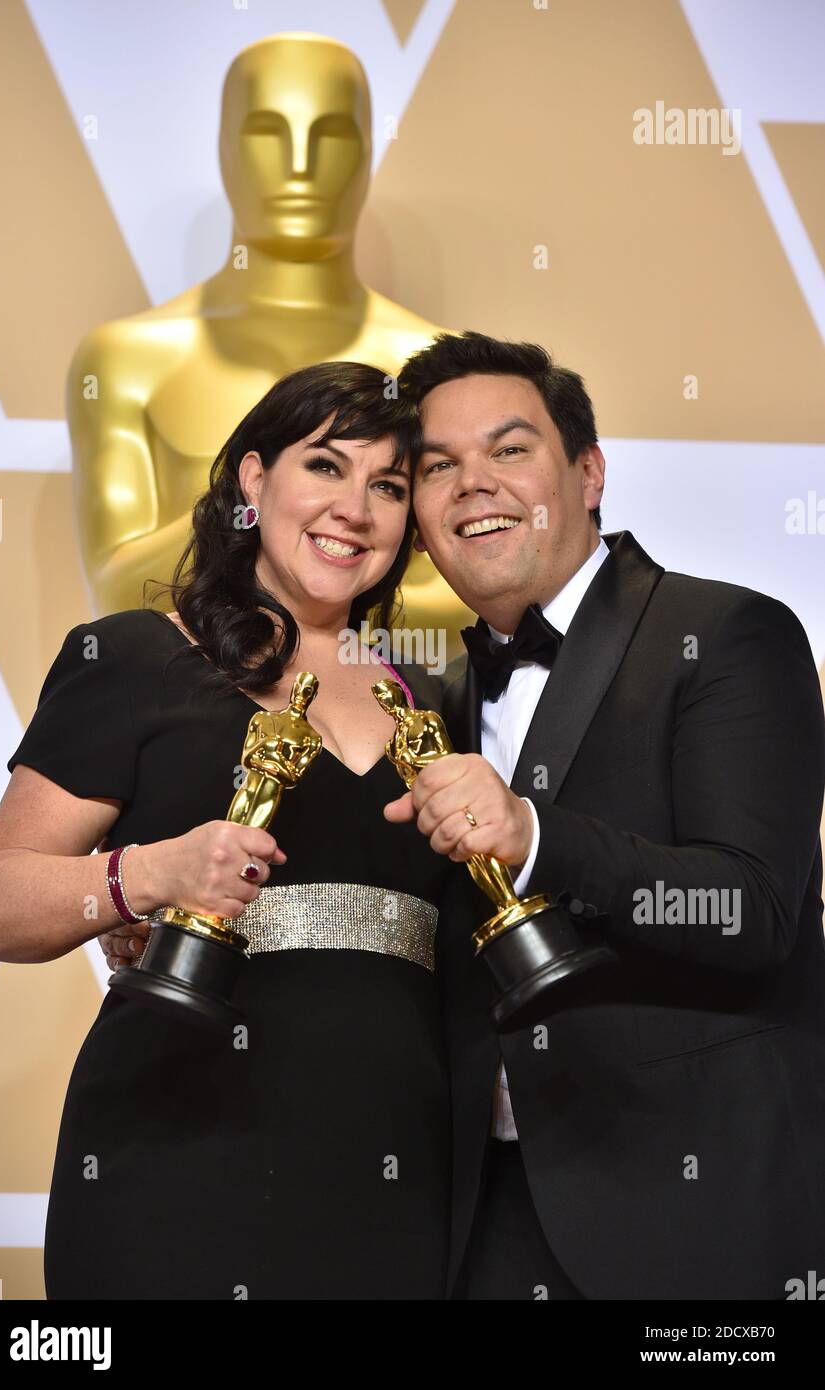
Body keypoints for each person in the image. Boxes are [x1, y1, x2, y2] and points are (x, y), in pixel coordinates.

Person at [0, 362, 453, 1300]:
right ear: (253, 479)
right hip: (178, 1151)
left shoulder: (433, 703)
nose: (354, 509)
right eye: (325, 466)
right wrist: (146, 875)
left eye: (388, 486)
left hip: (394, 1166)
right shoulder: (134, 657)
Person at [382, 330, 825, 1301]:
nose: (472, 483)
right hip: (480, 1224)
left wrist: (535, 836)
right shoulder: (424, 699)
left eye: (508, 449)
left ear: (588, 472)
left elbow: (750, 911)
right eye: (437, 466)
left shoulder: (725, 634)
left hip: (692, 1215)